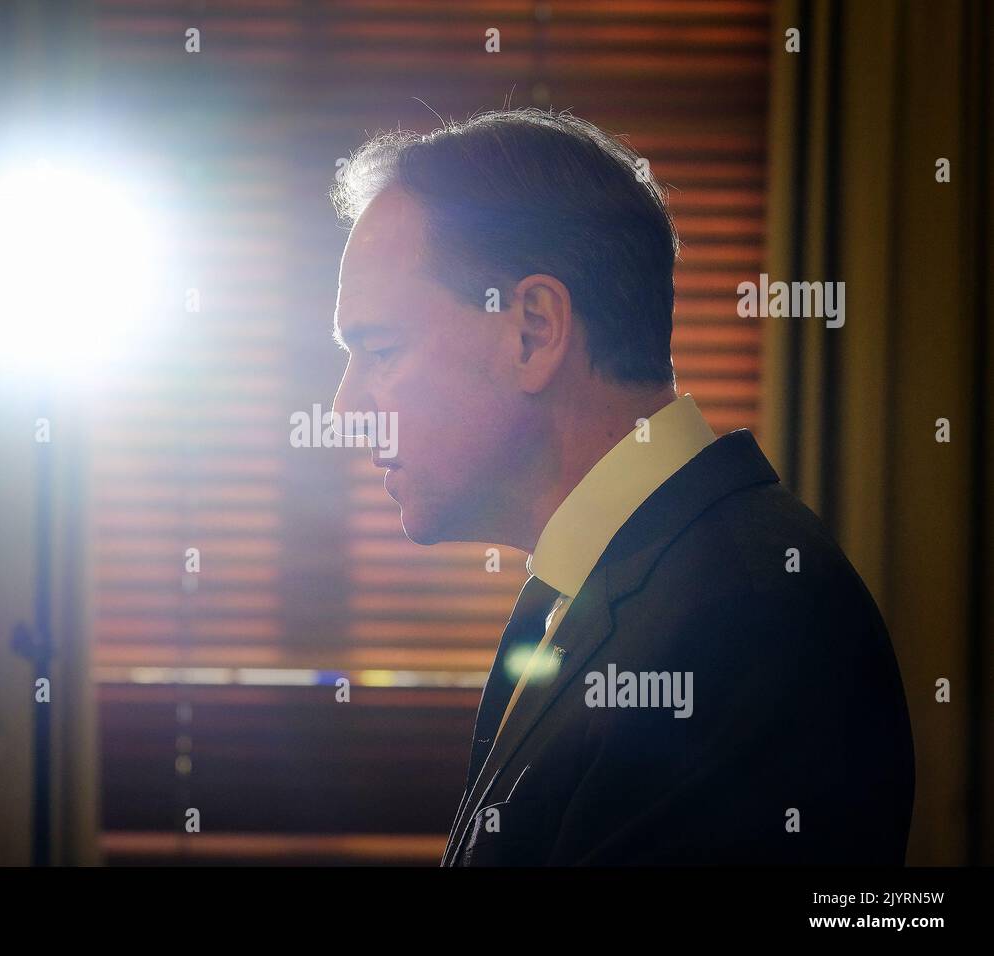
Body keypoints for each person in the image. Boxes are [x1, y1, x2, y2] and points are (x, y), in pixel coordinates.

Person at [327, 109, 914, 865]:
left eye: (379, 348)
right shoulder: (598, 582)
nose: (343, 408)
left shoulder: (745, 622)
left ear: (533, 330)